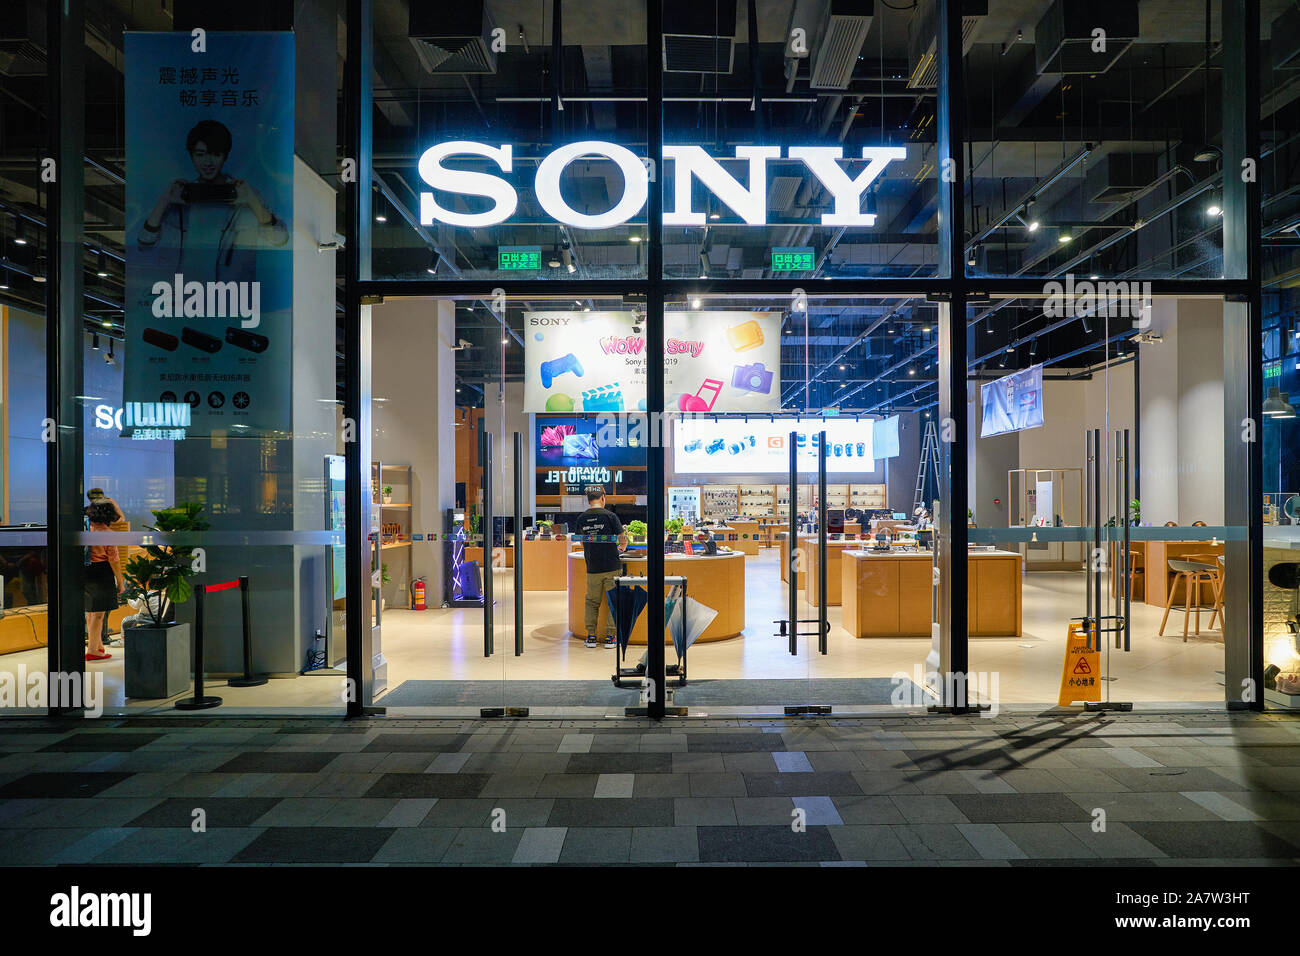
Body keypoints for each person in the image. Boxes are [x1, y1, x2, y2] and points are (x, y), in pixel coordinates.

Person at [137, 119, 288, 279]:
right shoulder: (180, 197)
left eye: (216, 154)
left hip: (231, 294)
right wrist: (165, 199)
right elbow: (144, 242)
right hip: (186, 293)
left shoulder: (245, 195)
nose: (207, 162)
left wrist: (251, 200)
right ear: (191, 155)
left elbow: (279, 239)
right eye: (200, 155)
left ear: (225, 156)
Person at [575, 485, 626, 648]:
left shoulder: (581, 518)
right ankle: (611, 637)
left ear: (587, 499)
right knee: (613, 600)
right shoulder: (611, 516)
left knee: (591, 601)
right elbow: (622, 538)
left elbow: (582, 542)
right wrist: (621, 548)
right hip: (612, 565)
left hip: (592, 567)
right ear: (603, 498)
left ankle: (591, 636)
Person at [83, 501, 125, 661]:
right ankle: (92, 650)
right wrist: (120, 582)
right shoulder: (107, 533)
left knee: (90, 611)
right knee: (99, 614)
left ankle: (98, 645)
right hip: (102, 572)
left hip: (86, 571)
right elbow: (114, 560)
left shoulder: (87, 528)